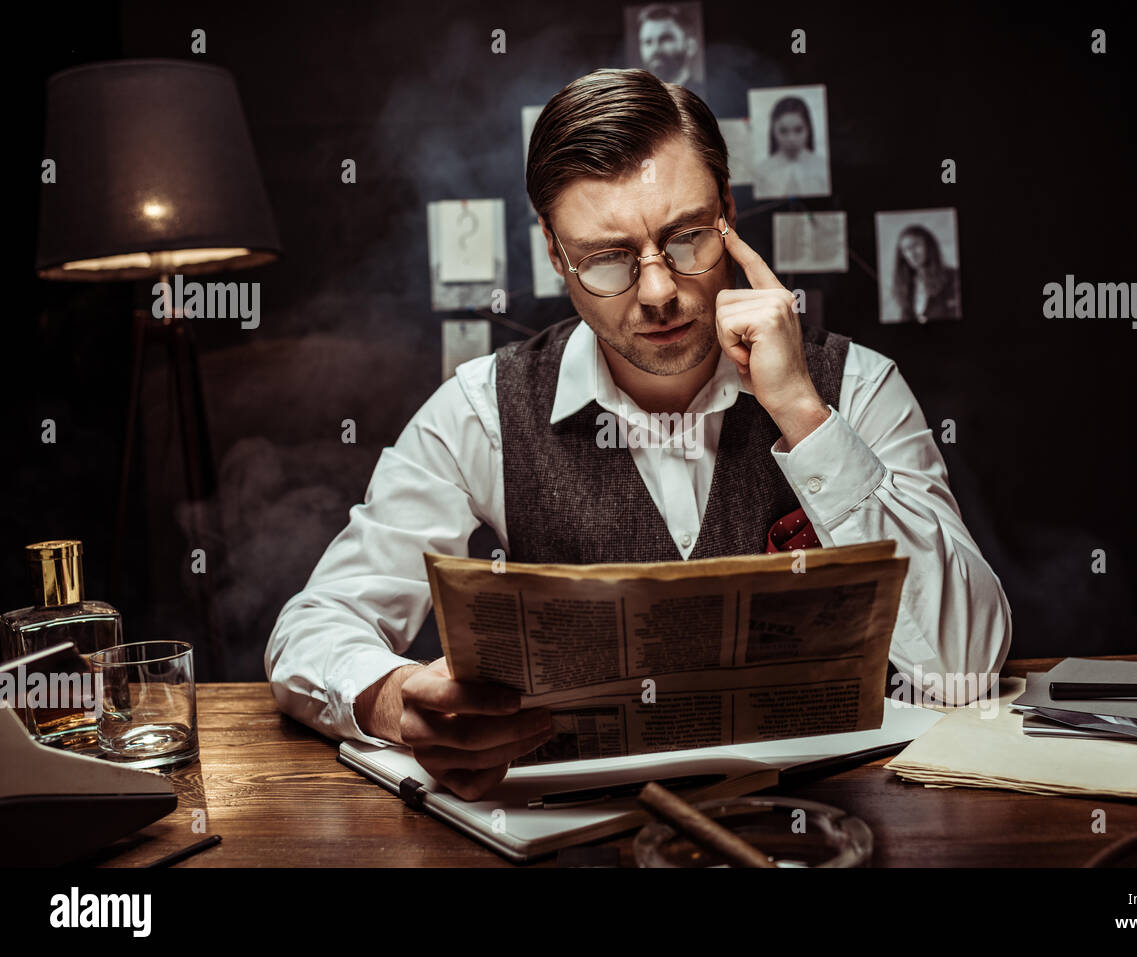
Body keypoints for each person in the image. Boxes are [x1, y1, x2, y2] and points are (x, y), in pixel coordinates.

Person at [265, 68, 1012, 801]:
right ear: (556, 255)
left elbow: (967, 663)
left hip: (824, 824)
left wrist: (805, 418)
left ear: (726, 211)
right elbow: (315, 624)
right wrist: (397, 699)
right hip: (569, 841)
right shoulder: (482, 410)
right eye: (608, 260)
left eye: (687, 238)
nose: (659, 292)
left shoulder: (855, 385)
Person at [752, 96, 830, 197]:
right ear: (773, 131)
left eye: (798, 130)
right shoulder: (761, 171)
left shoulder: (823, 167)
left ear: (808, 129)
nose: (791, 139)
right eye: (783, 131)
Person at [891, 224, 961, 322]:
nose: (912, 254)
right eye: (905, 249)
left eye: (916, 245)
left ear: (929, 246)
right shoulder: (908, 285)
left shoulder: (953, 277)